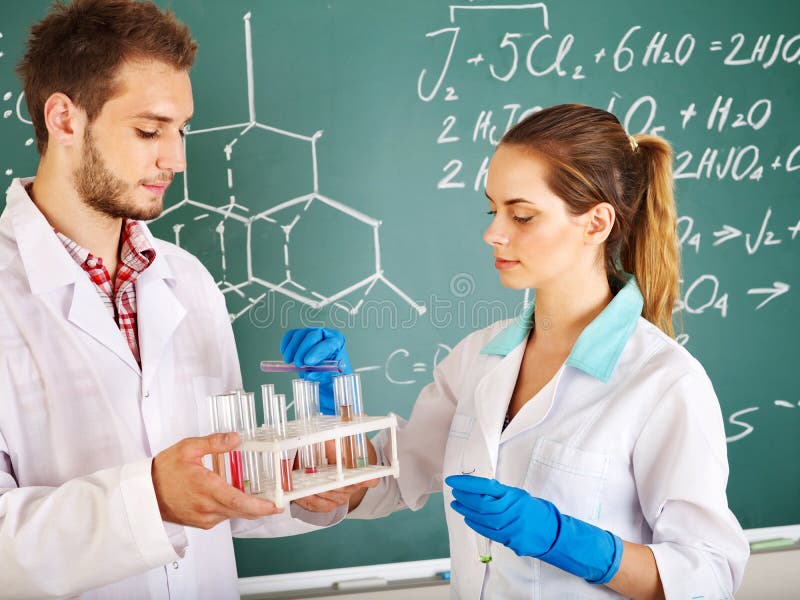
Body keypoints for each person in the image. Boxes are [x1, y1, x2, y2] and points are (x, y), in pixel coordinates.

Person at [281, 104, 750, 598]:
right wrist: (333, 425)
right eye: (493, 210)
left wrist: (565, 540)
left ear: (596, 224)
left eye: (521, 215)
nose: (493, 233)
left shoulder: (663, 381)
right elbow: (394, 479)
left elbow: (709, 576)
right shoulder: (478, 358)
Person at [0, 1, 354, 598]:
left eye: (180, 130)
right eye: (149, 130)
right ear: (64, 118)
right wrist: (149, 500)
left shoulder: (186, 280)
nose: (177, 159)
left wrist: (307, 472)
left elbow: (226, 488)